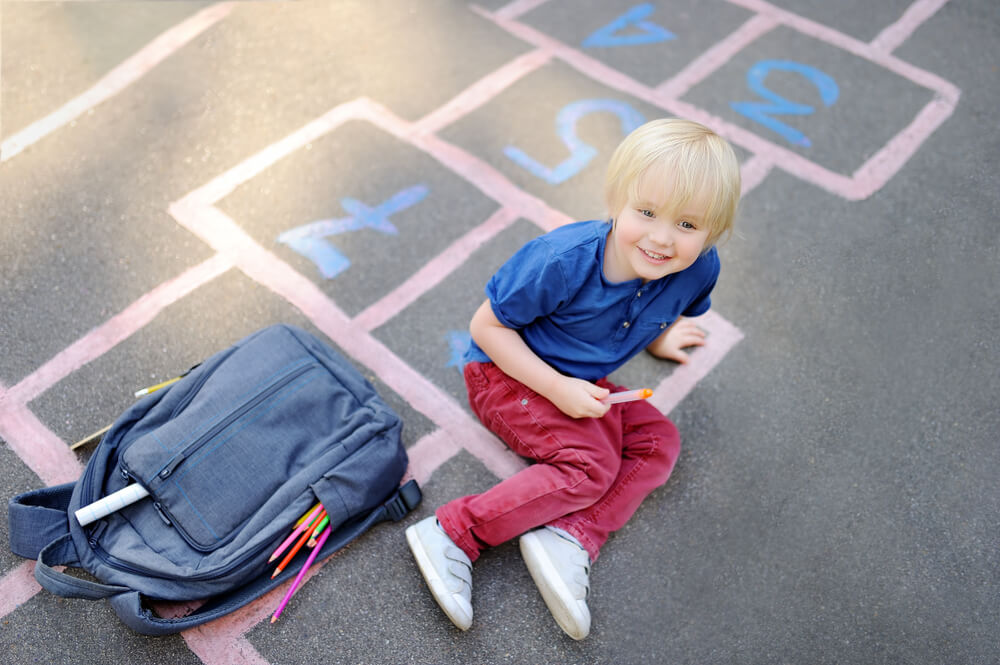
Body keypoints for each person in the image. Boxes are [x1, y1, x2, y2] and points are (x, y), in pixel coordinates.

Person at [405, 118, 741, 639]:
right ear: (617, 201)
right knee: (592, 467)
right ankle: (452, 532)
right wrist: (558, 389)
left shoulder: (699, 268)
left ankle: (570, 536)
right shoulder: (561, 260)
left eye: (686, 225)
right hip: (507, 375)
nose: (660, 237)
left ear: (713, 232)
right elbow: (486, 327)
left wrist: (659, 339)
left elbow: (669, 304)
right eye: (647, 213)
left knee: (659, 442)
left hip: (582, 377)